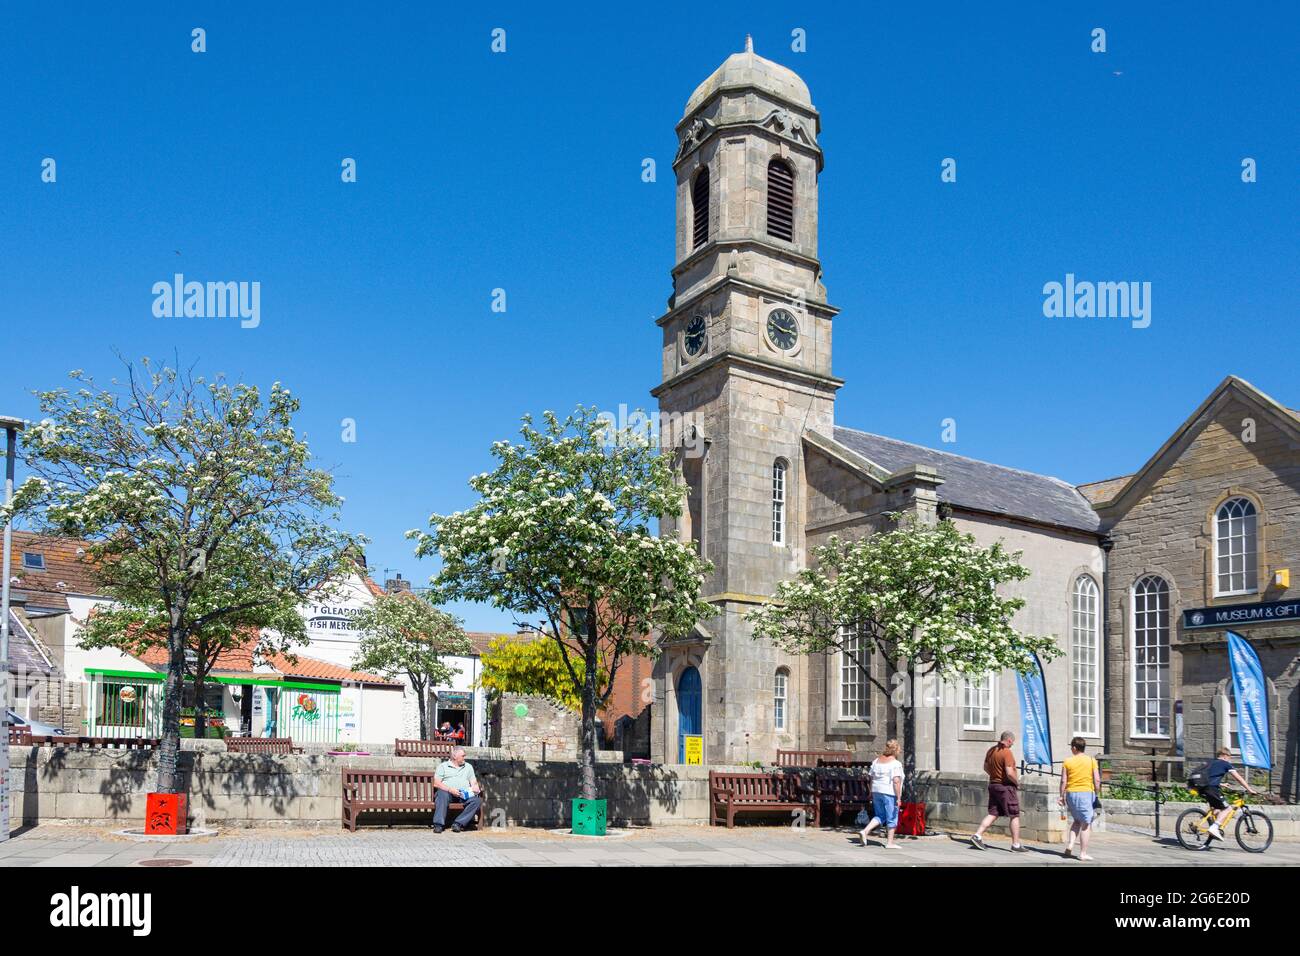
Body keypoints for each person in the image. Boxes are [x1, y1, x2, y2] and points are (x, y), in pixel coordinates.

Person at [971, 730, 1026, 852]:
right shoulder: (1007, 752)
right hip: (1005, 787)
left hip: (993, 785)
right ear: (1009, 740)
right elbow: (1009, 772)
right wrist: (1017, 782)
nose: (1012, 745)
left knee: (993, 813)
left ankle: (977, 835)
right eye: (1012, 742)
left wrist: (995, 776)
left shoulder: (991, 750)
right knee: (1014, 815)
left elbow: (985, 767)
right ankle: (1016, 845)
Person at [1197, 747, 1257, 841]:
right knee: (1228, 808)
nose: (1230, 759)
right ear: (1225, 756)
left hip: (1203, 788)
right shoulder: (1226, 764)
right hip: (1212, 789)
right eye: (1230, 757)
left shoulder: (1211, 762)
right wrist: (1249, 789)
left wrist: (1221, 784)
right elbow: (1238, 778)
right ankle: (1214, 828)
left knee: (1217, 810)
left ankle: (1214, 829)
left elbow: (1209, 777)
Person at [1059, 736, 1101, 861]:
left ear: (1074, 748)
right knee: (1086, 824)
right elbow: (1097, 779)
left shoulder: (1067, 761)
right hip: (1086, 793)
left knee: (1077, 820)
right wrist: (1097, 793)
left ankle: (1071, 844)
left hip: (1071, 793)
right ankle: (1083, 853)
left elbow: (1063, 781)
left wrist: (1061, 796)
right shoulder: (1092, 761)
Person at [860, 738, 905, 848]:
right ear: (896, 750)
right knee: (892, 817)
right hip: (889, 792)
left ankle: (865, 831)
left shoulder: (876, 761)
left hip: (876, 791)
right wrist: (898, 798)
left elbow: (871, 778)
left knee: (880, 815)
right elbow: (896, 781)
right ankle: (889, 843)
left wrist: (871, 791)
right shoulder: (895, 764)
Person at [433, 746, 483, 833]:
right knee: (441, 794)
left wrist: (475, 787)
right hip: (448, 793)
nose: (465, 758)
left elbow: (474, 783)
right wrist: (450, 790)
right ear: (454, 756)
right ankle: (438, 825)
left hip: (463, 794)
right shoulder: (443, 766)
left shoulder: (468, 767)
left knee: (477, 801)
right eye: (463, 756)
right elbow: (436, 783)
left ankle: (458, 824)